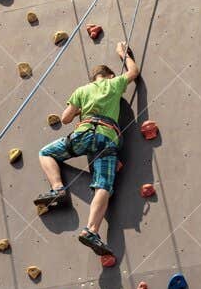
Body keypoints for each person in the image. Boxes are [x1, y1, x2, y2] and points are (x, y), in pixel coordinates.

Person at [35, 41, 140, 254]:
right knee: (103, 185)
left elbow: (65, 119)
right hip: (107, 137)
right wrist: (122, 54)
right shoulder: (114, 84)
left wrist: (78, 110)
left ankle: (58, 188)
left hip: (83, 134)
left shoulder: (82, 90)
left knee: (46, 153)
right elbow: (134, 72)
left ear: (93, 78)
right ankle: (91, 230)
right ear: (109, 76)